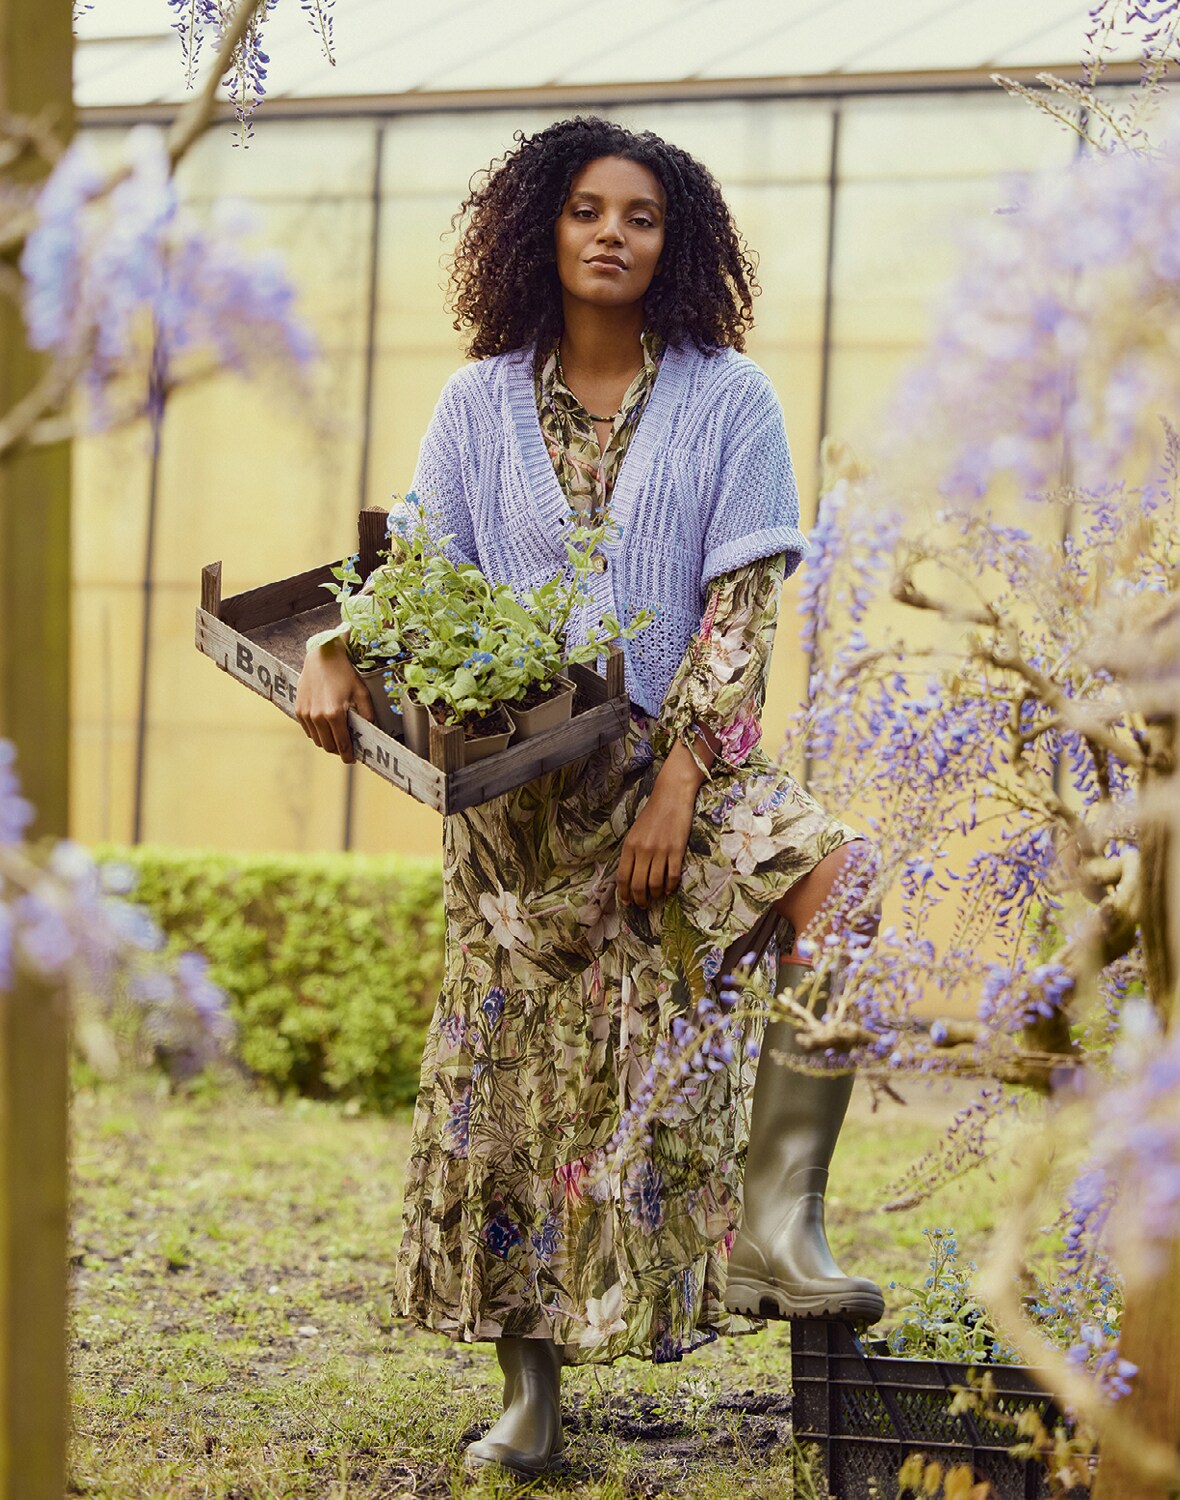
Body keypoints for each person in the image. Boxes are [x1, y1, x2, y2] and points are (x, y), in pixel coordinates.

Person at [295, 115, 883, 1482]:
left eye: (641, 215)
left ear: (676, 244)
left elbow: (739, 621)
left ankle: (778, 1225)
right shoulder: (478, 400)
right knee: (519, 1096)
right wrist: (333, 650)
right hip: (517, 807)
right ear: (540, 231)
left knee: (832, 875)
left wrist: (683, 774)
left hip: (674, 768)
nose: (611, 231)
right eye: (584, 209)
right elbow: (414, 582)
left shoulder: (731, 398)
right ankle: (530, 1401)